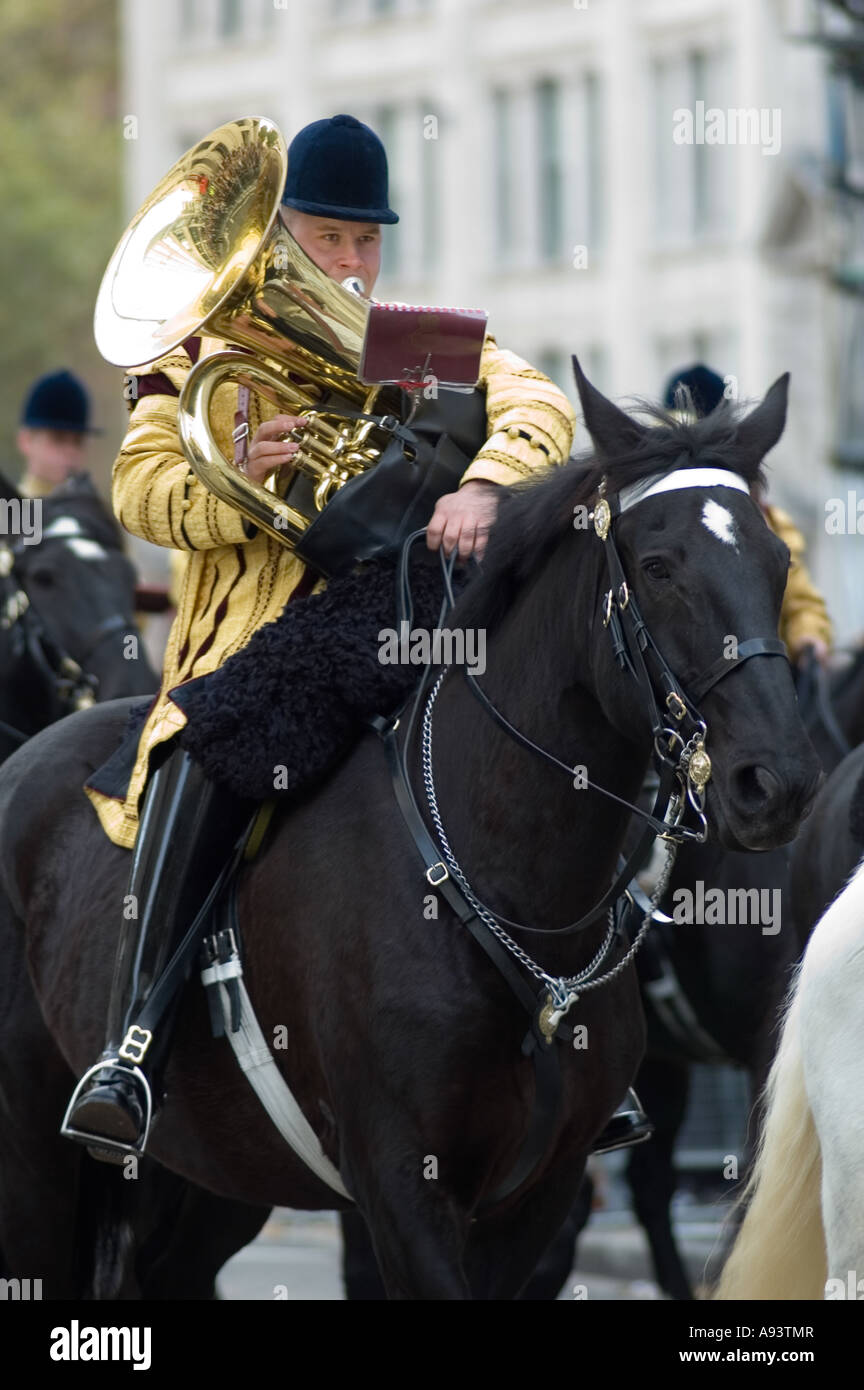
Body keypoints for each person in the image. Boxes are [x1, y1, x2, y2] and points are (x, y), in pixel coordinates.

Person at [65, 114, 590, 1159]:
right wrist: (242, 475)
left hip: (403, 618)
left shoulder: (406, 336)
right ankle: (133, 1042)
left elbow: (535, 400)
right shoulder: (194, 352)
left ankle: (586, 1034)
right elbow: (138, 491)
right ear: (275, 235)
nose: (351, 262)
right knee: (204, 748)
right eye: (327, 237)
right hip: (249, 640)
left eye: (367, 240)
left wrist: (486, 480)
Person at [663, 364, 833, 666]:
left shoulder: (770, 522)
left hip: (762, 679)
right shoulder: (655, 526)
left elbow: (801, 601)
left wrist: (809, 636)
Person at [14, 370, 96, 498]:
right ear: (26, 441)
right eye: (58, 439)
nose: (70, 451)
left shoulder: (94, 513)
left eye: (78, 441)